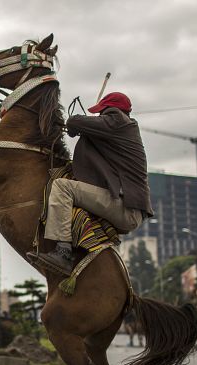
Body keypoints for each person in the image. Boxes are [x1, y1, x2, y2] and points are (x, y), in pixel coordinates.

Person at [34, 92, 154, 274]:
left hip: (126, 208)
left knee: (62, 186)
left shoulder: (118, 121)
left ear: (110, 110)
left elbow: (74, 122)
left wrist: (78, 124)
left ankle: (63, 252)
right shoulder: (118, 130)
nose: (99, 116)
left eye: (101, 113)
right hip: (127, 207)